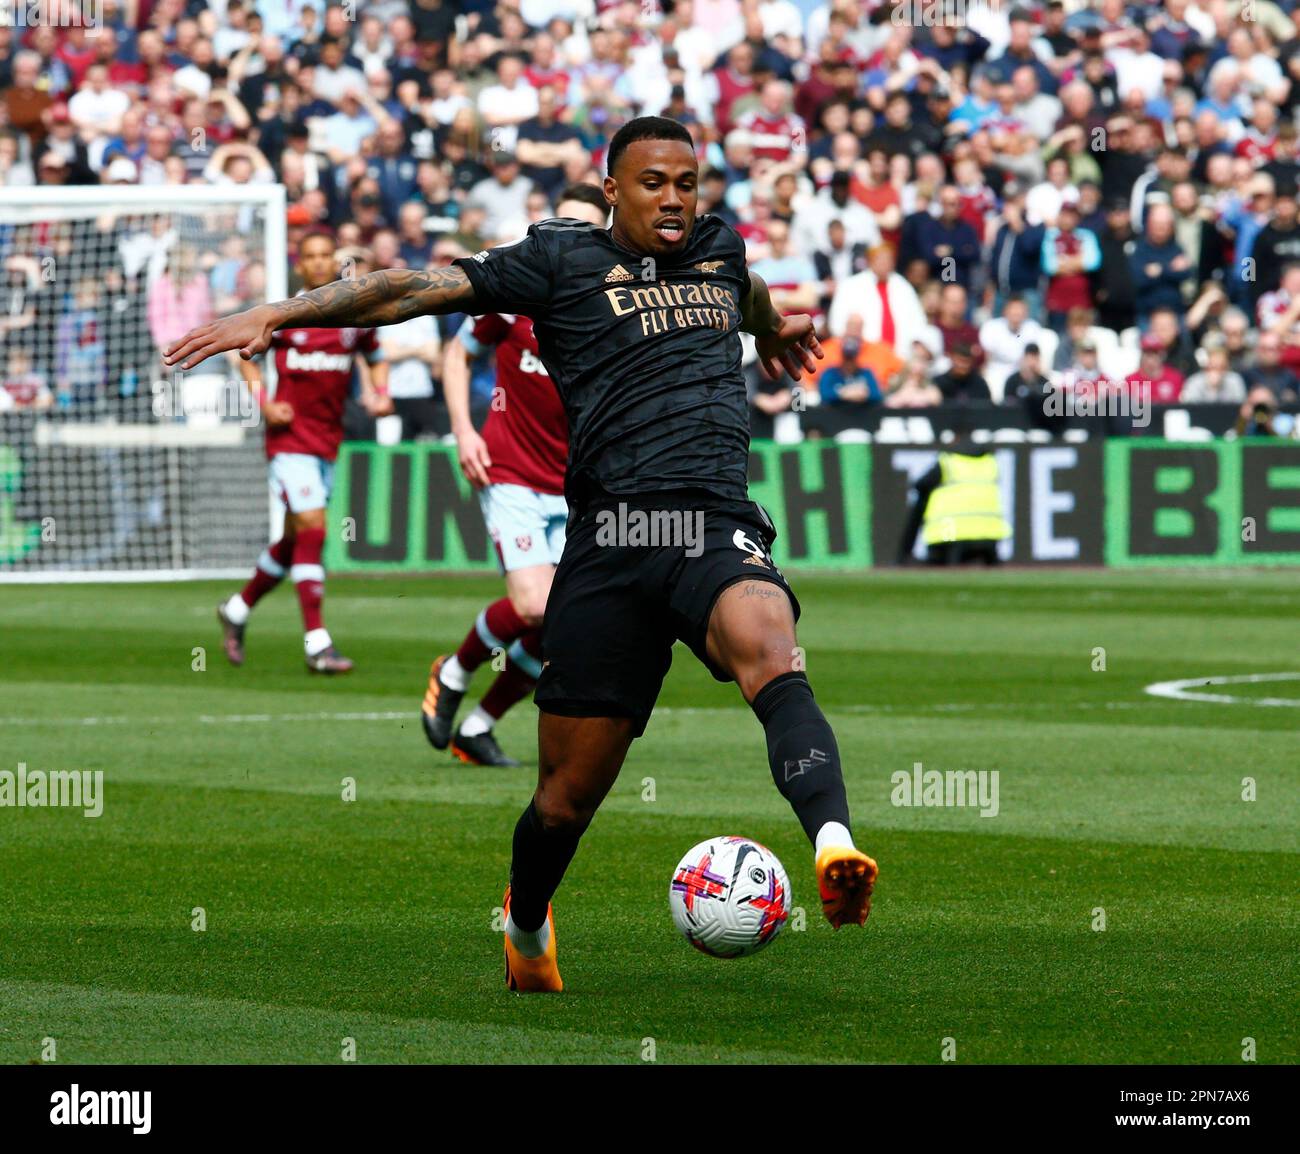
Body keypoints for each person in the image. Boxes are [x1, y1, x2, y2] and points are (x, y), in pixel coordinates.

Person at [165, 117, 878, 994]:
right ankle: (529, 921)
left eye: (687, 183)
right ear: (611, 187)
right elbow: (407, 291)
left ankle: (835, 845)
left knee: (771, 647)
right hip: (612, 542)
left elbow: (752, 291)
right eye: (654, 182)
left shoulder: (720, 253)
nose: (674, 199)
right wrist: (278, 310)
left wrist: (769, 332)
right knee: (565, 800)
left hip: (709, 524)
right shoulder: (558, 261)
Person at [422, 183, 610, 769]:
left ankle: (477, 727)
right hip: (510, 470)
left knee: (569, 628)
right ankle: (453, 670)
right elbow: (457, 354)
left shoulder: (611, 306)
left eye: (585, 229)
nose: (571, 239)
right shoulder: (518, 292)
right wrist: (464, 429)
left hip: (577, 484)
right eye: (564, 225)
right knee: (534, 605)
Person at [215, 229, 392, 673]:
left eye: (324, 255)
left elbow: (376, 354)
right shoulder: (286, 314)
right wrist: (264, 403)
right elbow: (245, 355)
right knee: (314, 530)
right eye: (309, 256)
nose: (317, 262)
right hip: (288, 438)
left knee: (296, 539)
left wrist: (379, 391)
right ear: (301, 264)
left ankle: (236, 609)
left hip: (327, 440)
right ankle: (318, 644)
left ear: (335, 260)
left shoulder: (352, 316)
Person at [896, 437, 1011, 566]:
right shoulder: (990, 463)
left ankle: (903, 557)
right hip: (989, 536)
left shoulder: (947, 463)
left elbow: (920, 485)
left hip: (950, 536)